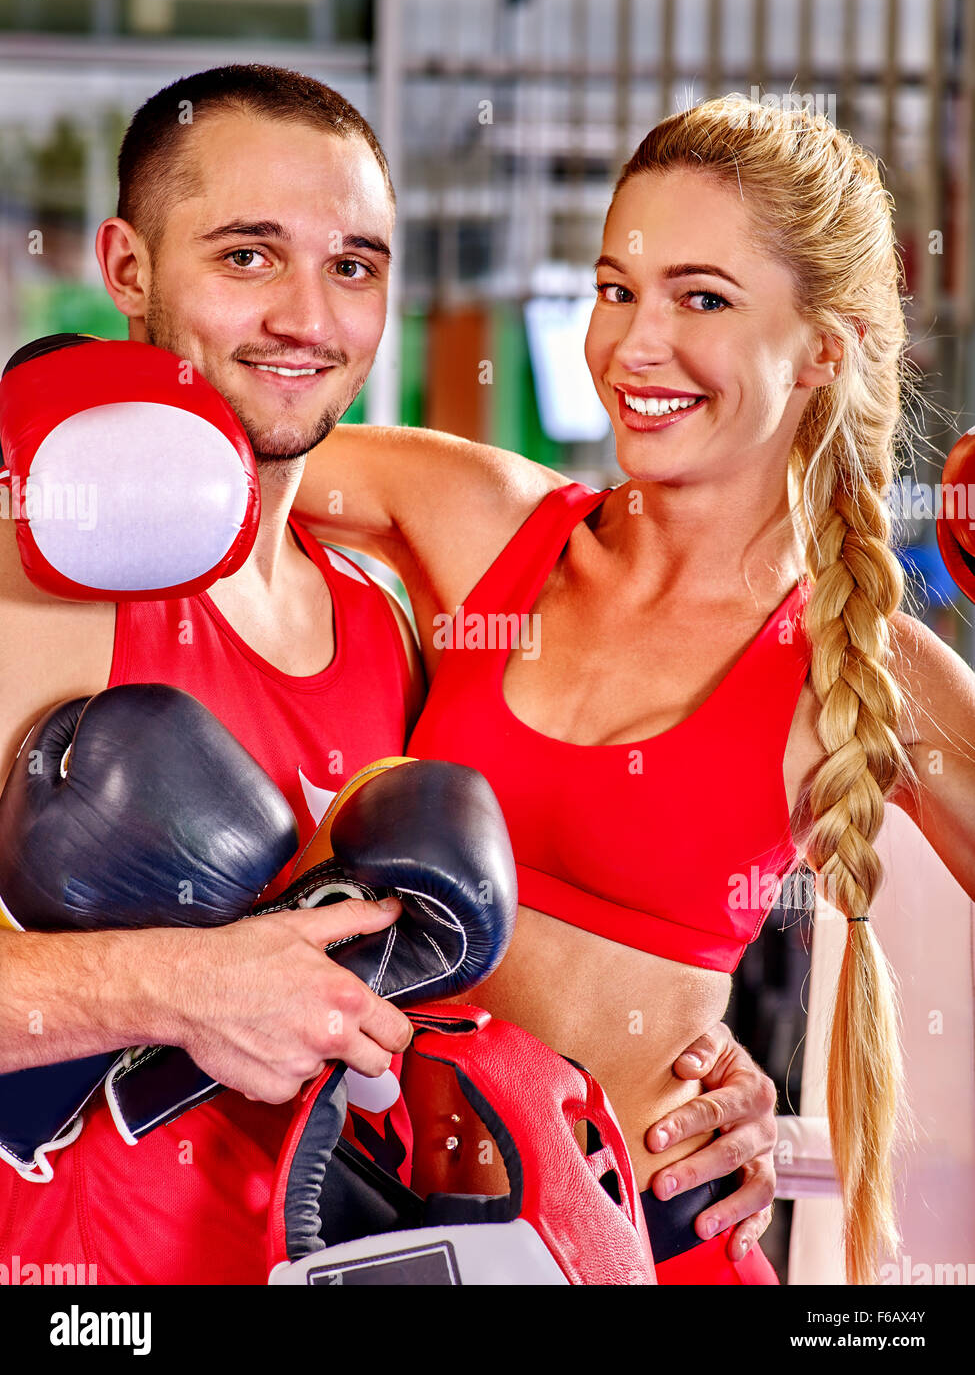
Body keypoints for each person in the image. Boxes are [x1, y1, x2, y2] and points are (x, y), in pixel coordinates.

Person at [0, 67, 776, 1285]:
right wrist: (171, 986)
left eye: (353, 266)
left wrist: (685, 1071)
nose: (309, 317)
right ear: (129, 268)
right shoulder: (42, 590)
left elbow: (432, 981)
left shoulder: (386, 626)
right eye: (248, 257)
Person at [291, 95, 975, 1283]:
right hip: (384, 1231)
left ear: (827, 346)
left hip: (649, 1256)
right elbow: (172, 451)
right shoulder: (481, 522)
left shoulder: (854, 664)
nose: (632, 346)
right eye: (616, 290)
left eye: (701, 299)